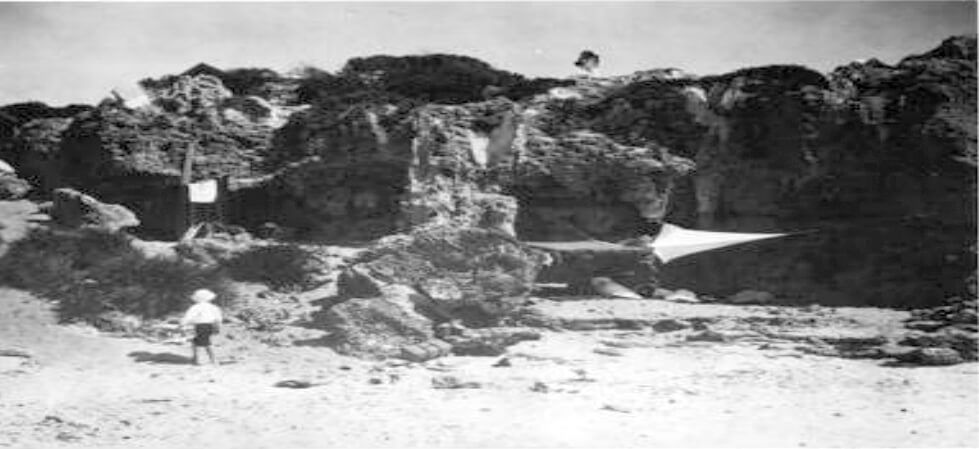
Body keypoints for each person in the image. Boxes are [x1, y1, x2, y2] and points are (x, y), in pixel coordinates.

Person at [180, 289, 223, 365]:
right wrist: (218, 326)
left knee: (203, 342)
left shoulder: (196, 307)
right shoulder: (213, 307)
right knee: (200, 341)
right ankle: (197, 358)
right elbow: (218, 317)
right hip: (210, 325)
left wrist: (183, 323)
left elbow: (189, 316)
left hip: (200, 325)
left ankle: (209, 359)